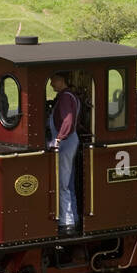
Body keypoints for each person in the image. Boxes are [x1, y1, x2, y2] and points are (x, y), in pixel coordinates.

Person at [47, 71, 80, 233]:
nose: (51, 84)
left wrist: (58, 139)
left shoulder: (66, 98)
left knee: (63, 183)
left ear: (60, 80)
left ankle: (67, 222)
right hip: (69, 140)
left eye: (53, 80)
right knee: (68, 182)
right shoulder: (68, 96)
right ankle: (73, 217)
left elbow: (68, 120)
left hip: (66, 142)